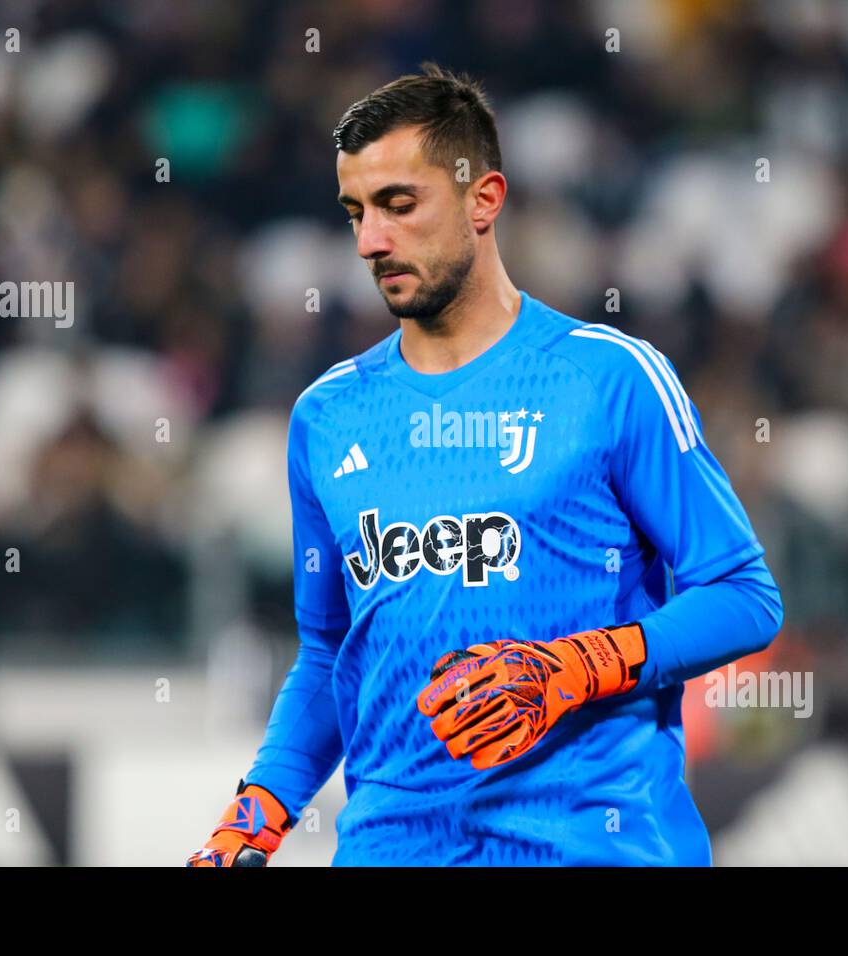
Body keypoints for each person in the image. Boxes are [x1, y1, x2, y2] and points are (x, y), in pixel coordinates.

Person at [188, 63, 783, 867]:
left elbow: (744, 597)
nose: (371, 240)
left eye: (400, 205)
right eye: (356, 212)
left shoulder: (610, 379)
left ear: (484, 200)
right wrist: (256, 812)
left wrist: (578, 664)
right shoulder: (326, 417)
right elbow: (330, 652)